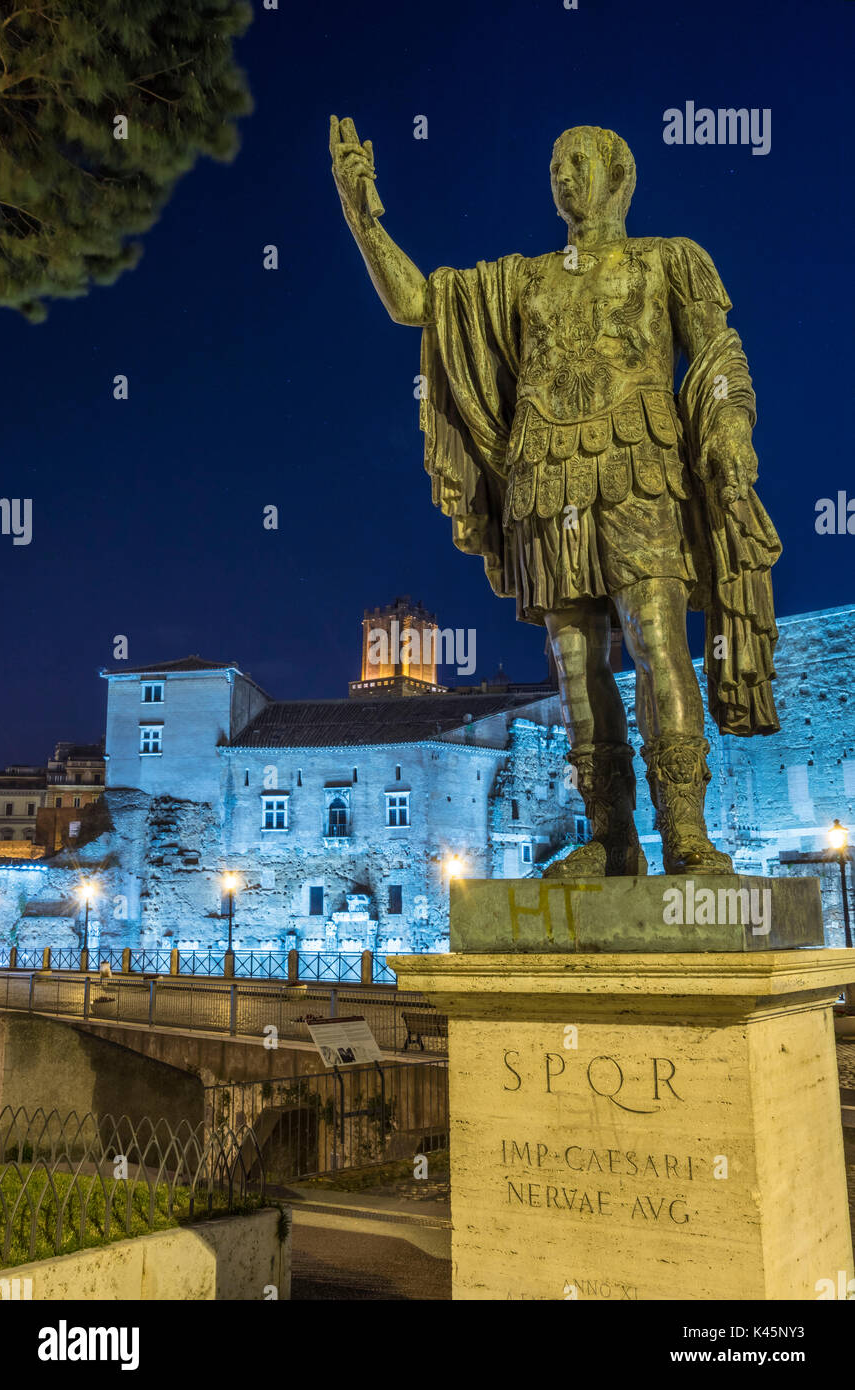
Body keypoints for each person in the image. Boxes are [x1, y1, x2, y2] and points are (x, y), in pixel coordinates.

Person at [330, 118, 781, 875]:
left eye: (577, 161)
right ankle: (610, 839)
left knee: (657, 641)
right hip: (545, 479)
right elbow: (417, 304)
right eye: (553, 164)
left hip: (640, 463)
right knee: (572, 658)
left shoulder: (668, 261)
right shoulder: (522, 280)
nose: (562, 175)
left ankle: (686, 837)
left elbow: (716, 358)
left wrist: (731, 432)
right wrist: (361, 216)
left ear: (617, 176)